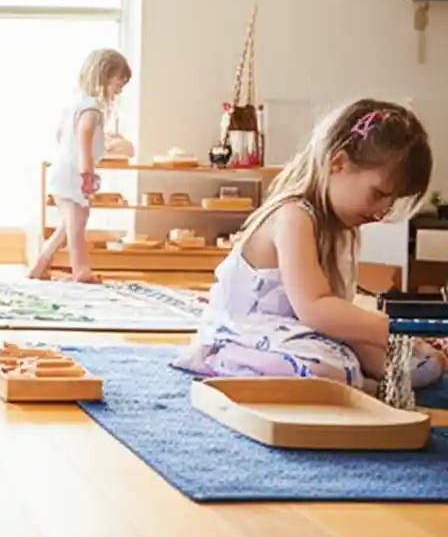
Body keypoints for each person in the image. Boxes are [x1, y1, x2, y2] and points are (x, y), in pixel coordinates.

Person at [173, 99, 445, 390]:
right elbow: (315, 308)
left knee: (405, 361)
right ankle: (362, 385)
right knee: (324, 368)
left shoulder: (341, 227)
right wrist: (389, 328)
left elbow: (336, 314)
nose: (383, 211)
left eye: (392, 202)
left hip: (302, 333)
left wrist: (402, 344)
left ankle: (370, 378)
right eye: (378, 194)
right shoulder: (293, 215)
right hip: (246, 334)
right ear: (338, 163)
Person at [29, 48, 133, 282]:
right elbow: (84, 134)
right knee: (77, 225)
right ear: (104, 77)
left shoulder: (76, 104)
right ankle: (80, 270)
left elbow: (60, 134)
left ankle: (40, 264)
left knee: (68, 223)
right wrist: (87, 172)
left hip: (64, 171)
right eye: (119, 82)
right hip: (75, 174)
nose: (120, 88)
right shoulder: (92, 109)